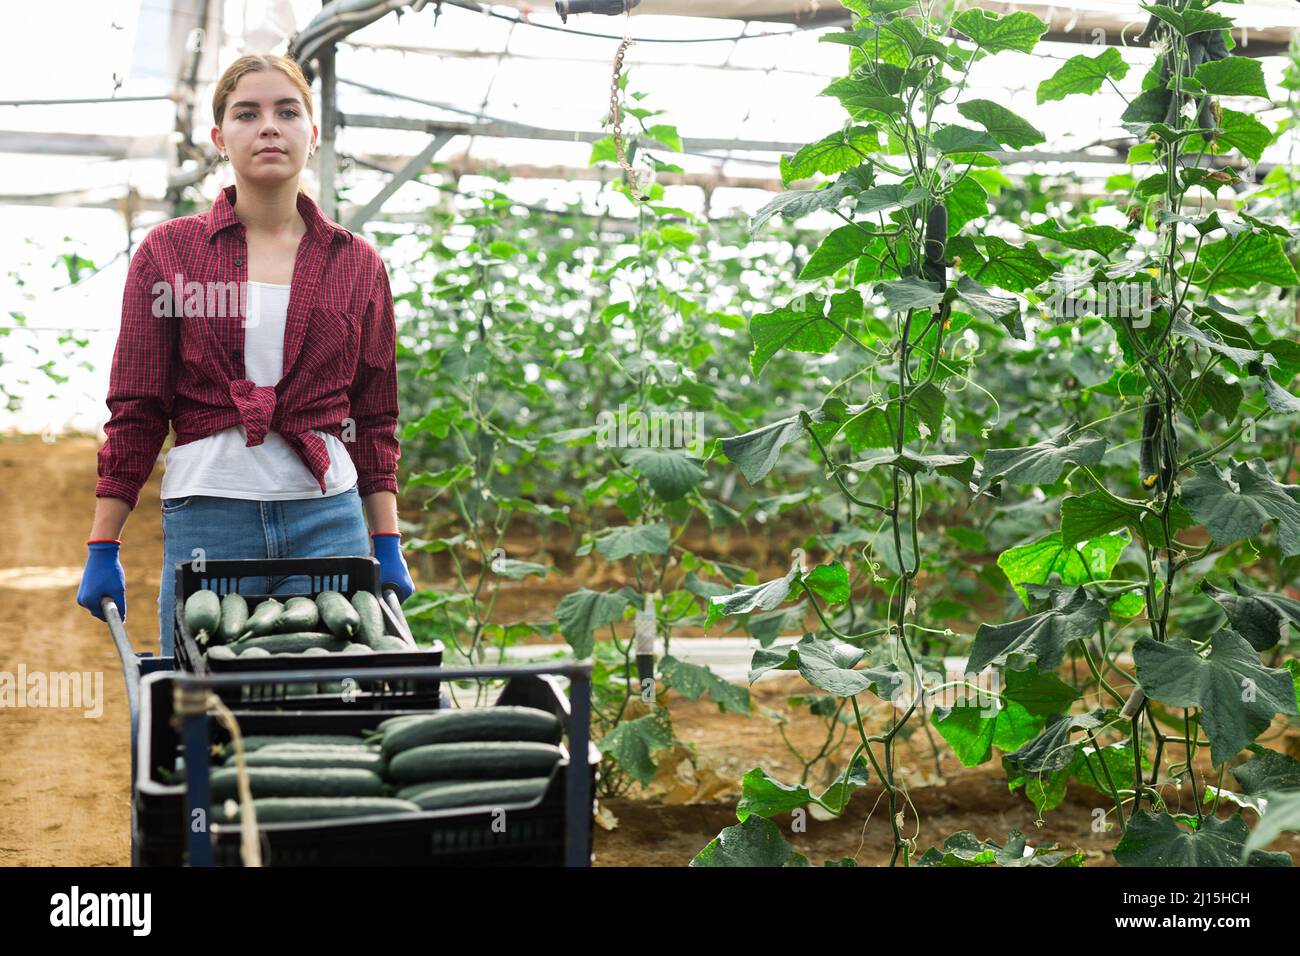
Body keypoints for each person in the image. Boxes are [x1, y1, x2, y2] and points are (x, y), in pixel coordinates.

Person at [76, 53, 415, 657]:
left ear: (312, 134)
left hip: (327, 518)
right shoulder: (169, 254)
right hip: (211, 516)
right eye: (247, 113)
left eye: (288, 111)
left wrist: (385, 538)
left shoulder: (356, 262)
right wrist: (105, 547)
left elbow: (374, 414)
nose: (269, 126)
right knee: (201, 710)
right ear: (219, 137)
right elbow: (138, 406)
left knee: (338, 698)